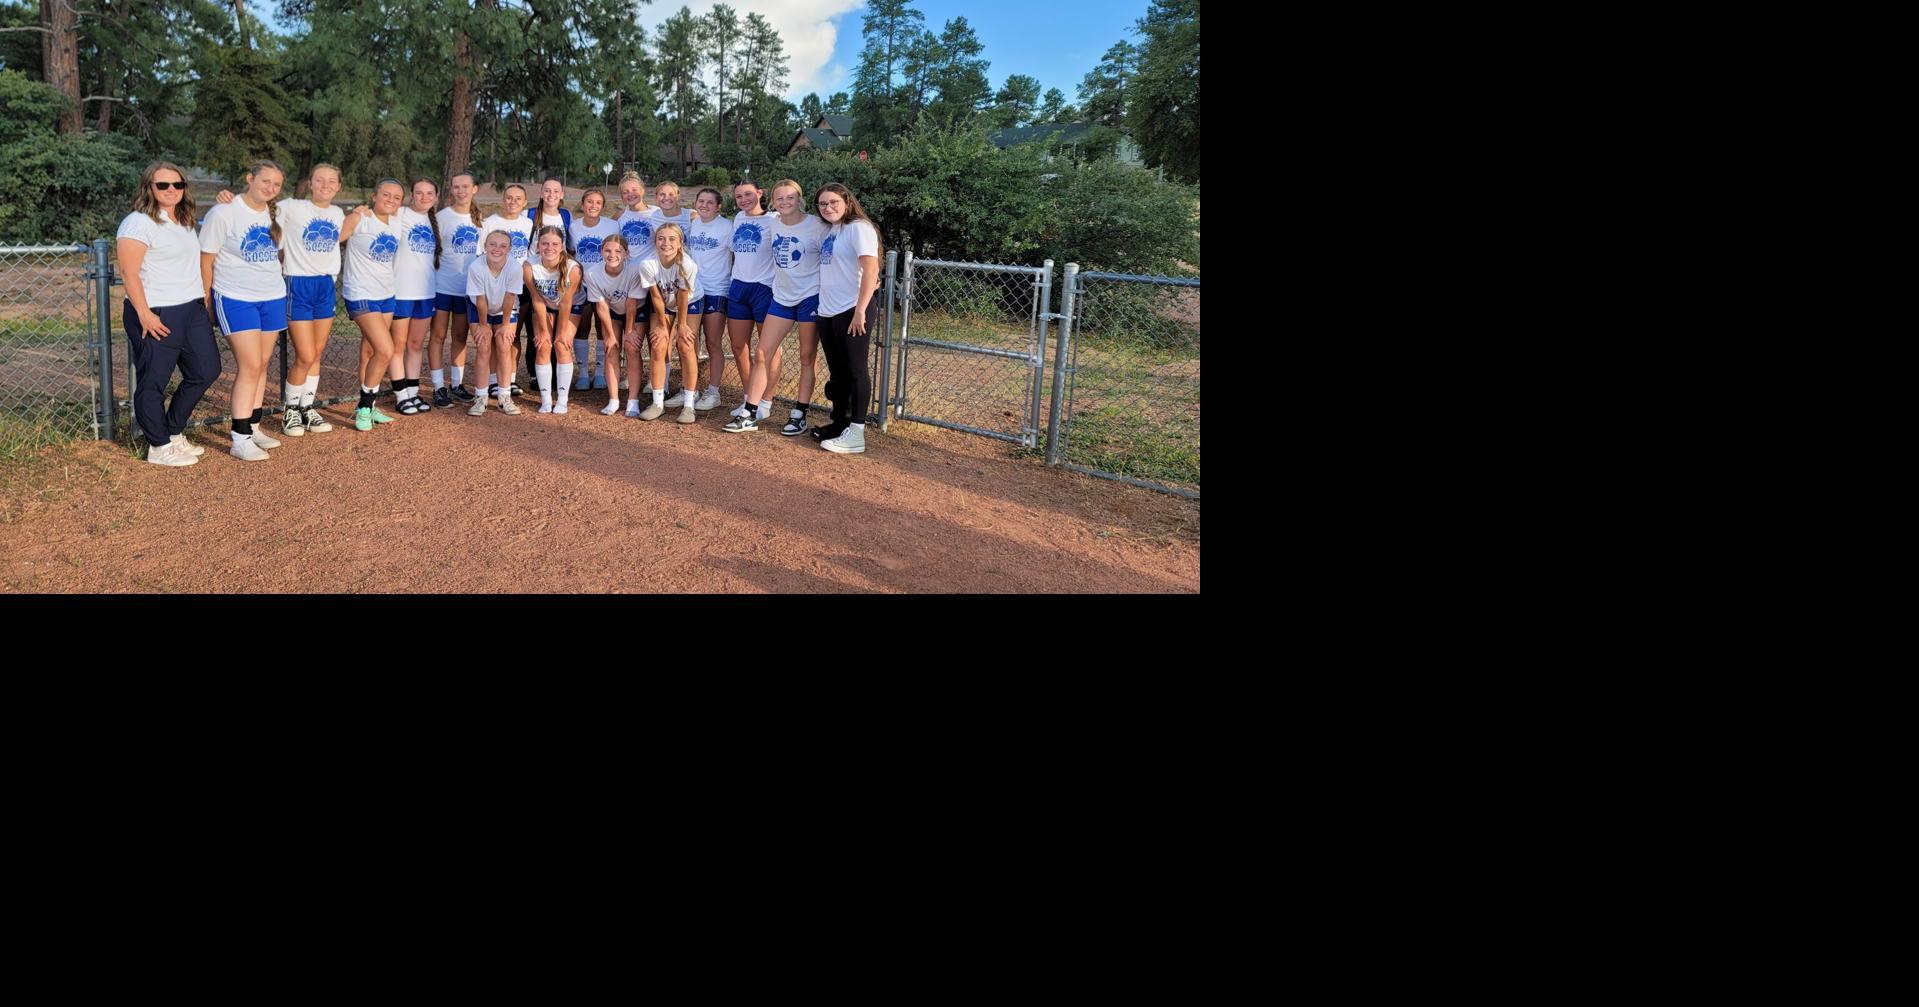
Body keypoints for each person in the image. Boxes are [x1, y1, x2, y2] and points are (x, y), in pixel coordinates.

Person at [115, 160, 218, 466]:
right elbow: (129, 272)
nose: (171, 190)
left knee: (206, 370)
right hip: (157, 311)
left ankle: (172, 432)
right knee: (154, 382)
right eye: (163, 185)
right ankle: (158, 445)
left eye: (177, 184)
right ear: (149, 187)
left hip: (190, 308)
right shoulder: (138, 222)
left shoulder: (184, 219)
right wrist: (145, 314)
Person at [199, 159, 287, 461]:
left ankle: (253, 426)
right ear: (249, 179)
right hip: (236, 297)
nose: (270, 188)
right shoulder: (224, 212)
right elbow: (206, 260)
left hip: (272, 295)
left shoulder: (277, 215)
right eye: (265, 181)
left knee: (262, 365)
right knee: (249, 366)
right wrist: (206, 299)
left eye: (276, 185)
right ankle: (239, 437)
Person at [724, 179, 826, 435]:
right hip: (781, 297)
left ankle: (799, 413)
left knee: (806, 357)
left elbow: (835, 252)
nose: (784, 202)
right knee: (761, 354)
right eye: (779, 198)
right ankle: (750, 411)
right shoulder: (772, 222)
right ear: (773, 201)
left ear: (799, 199)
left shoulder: (816, 225)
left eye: (789, 198)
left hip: (809, 297)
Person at [812, 183, 883, 454]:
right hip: (827, 311)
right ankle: (839, 422)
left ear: (847, 202)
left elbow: (871, 270)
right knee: (837, 373)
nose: (828, 208)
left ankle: (857, 431)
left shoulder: (859, 228)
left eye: (833, 203)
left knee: (855, 370)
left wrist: (860, 310)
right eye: (822, 204)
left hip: (851, 310)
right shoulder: (832, 230)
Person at [341, 179, 407, 431]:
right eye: (386, 195)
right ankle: (365, 408)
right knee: (385, 350)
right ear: (374, 195)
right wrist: (353, 212)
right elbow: (333, 240)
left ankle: (367, 403)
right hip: (361, 293)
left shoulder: (397, 222)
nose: (390, 200)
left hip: (386, 293)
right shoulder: (360, 219)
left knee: (370, 351)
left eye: (397, 197)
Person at [667, 185, 732, 414]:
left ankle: (713, 392)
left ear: (718, 207)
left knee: (713, 343)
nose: (704, 206)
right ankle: (689, 389)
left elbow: (735, 255)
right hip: (693, 290)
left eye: (710, 202)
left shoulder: (727, 227)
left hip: (716, 290)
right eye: (701, 201)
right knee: (688, 342)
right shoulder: (692, 224)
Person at [722, 178, 779, 426]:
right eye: (739, 197)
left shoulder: (774, 219)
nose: (744, 200)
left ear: (760, 192)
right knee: (737, 346)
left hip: (763, 288)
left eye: (748, 194)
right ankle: (749, 398)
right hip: (738, 287)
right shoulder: (738, 218)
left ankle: (765, 401)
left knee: (767, 350)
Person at [430, 172, 485, 406]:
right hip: (443, 286)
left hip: (467, 289)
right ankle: (437, 387)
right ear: (451, 190)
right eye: (456, 187)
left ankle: (456, 384)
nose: (460, 191)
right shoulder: (442, 217)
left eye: (465, 186)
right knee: (438, 335)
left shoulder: (480, 219)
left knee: (460, 336)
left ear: (475, 189)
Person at [636, 223, 698, 423]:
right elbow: (655, 297)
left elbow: (682, 296)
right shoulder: (648, 264)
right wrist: (663, 325)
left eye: (672, 239)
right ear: (655, 242)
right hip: (663, 302)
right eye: (661, 238)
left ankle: (689, 405)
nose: (666, 243)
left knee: (685, 345)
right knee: (658, 344)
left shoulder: (687, 265)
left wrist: (681, 325)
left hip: (690, 302)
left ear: (680, 243)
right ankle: (657, 403)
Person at [579, 233, 644, 414]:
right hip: (613, 310)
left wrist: (630, 330)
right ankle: (613, 399)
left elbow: (631, 303)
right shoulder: (592, 273)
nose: (612, 254)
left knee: (632, 347)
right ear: (601, 252)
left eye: (618, 251)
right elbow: (601, 306)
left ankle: (633, 400)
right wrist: (609, 335)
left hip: (637, 310)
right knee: (611, 348)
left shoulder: (634, 269)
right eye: (607, 250)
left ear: (626, 253)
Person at [480, 182, 533, 398]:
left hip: (520, 285)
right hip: (495, 284)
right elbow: (481, 254)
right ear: (502, 200)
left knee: (512, 334)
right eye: (509, 198)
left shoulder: (528, 224)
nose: (513, 202)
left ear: (525, 202)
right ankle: (493, 381)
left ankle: (509, 379)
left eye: (518, 199)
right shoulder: (490, 223)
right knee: (494, 335)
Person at [522, 226, 581, 413]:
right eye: (545, 243)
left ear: (562, 246)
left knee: (562, 344)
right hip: (544, 305)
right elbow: (537, 299)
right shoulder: (529, 266)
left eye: (555, 244)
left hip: (570, 307)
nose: (549, 247)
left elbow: (566, 303)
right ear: (538, 246)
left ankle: (562, 400)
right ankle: (546, 400)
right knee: (543, 345)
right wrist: (544, 331)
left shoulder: (573, 268)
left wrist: (562, 332)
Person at [464, 229, 523, 416]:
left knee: (504, 345)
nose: (497, 249)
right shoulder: (476, 266)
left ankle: (504, 396)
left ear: (509, 249)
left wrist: (505, 324)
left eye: (503, 245)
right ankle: (480, 397)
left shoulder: (514, 267)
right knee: (483, 346)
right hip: (479, 307)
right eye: (492, 244)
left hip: (505, 307)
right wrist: (483, 325)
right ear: (485, 246)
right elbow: (480, 299)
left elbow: (510, 297)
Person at [567, 188, 617, 392]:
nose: (593, 206)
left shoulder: (612, 225)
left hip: (605, 283)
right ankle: (583, 374)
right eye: (589, 202)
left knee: (604, 327)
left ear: (603, 206)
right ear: (582, 203)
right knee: (583, 328)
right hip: (583, 283)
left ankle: (599, 372)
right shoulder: (574, 227)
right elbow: (570, 252)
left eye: (598, 203)